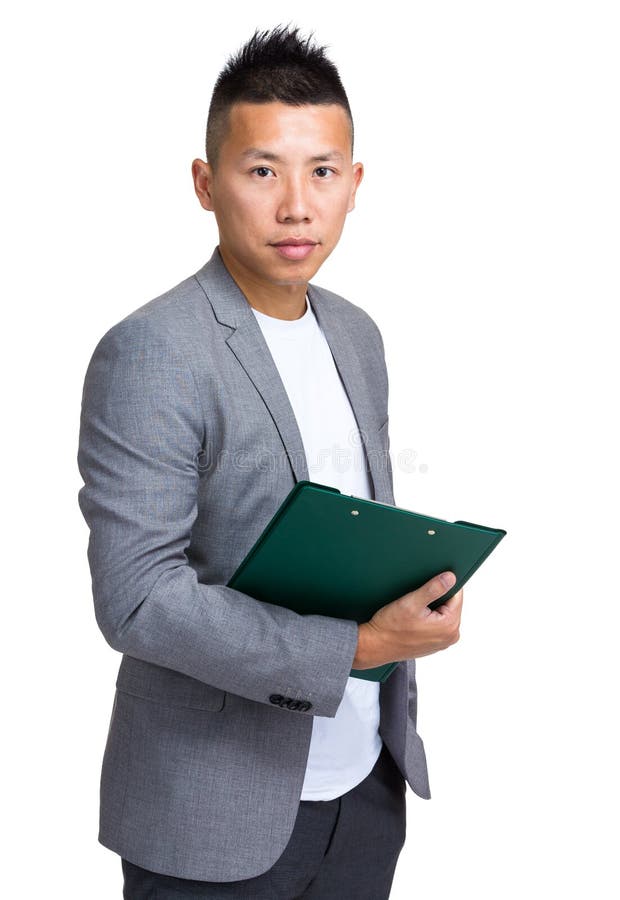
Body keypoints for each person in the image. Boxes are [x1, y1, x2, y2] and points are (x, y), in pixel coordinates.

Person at [77, 24, 463, 899]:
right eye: (262, 171)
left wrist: (422, 591)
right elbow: (138, 598)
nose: (296, 205)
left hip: (365, 789)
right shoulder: (152, 351)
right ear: (205, 184)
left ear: (355, 184)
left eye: (322, 171)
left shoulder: (357, 334)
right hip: (209, 810)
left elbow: (348, 530)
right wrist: (359, 646)